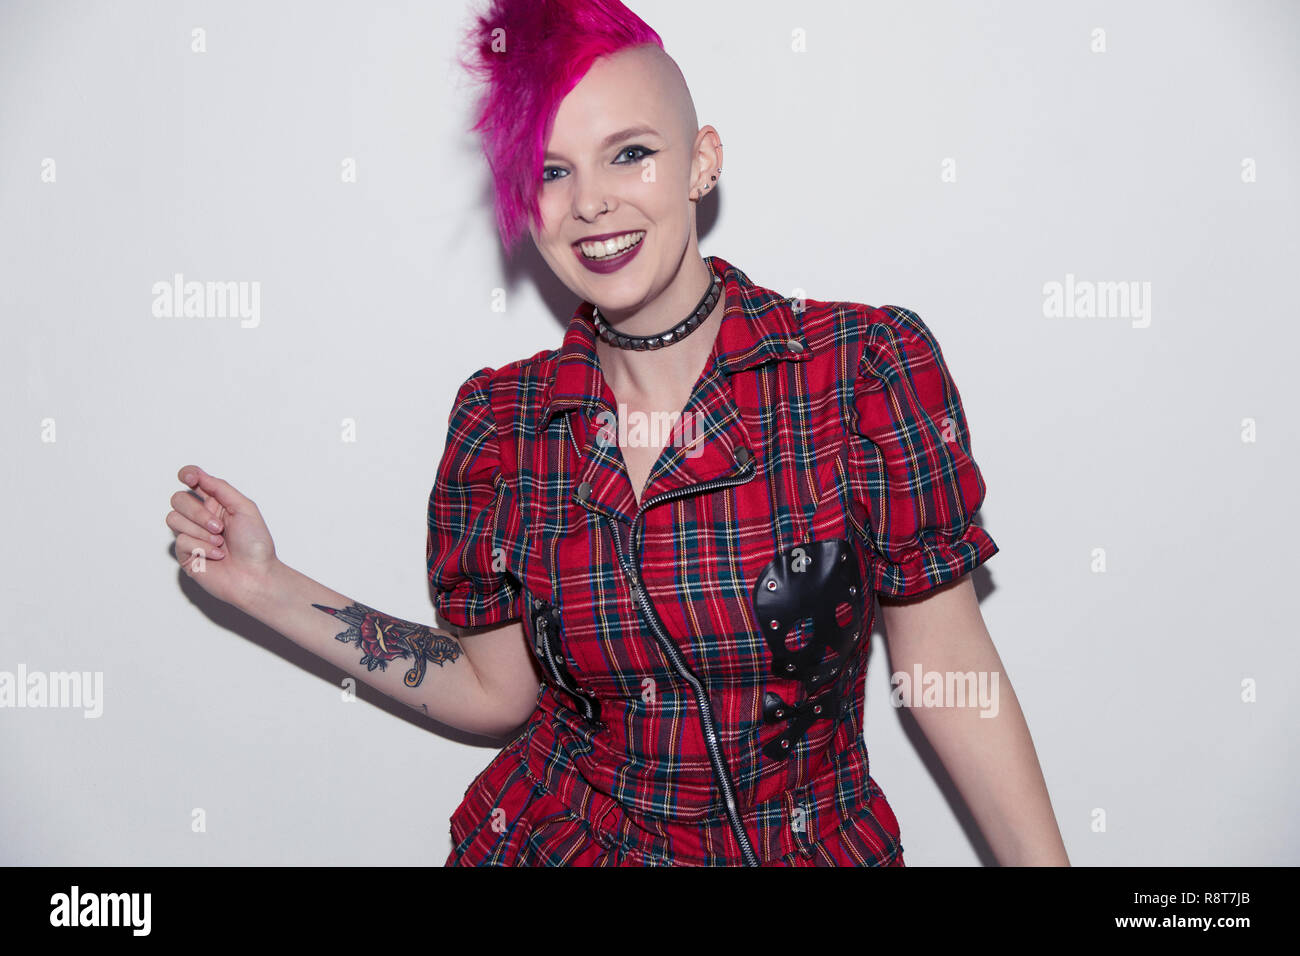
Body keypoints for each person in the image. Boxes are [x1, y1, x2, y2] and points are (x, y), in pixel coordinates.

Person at [167, 0, 1069, 866]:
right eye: (553, 172)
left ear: (701, 162)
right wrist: (268, 587)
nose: (590, 202)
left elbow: (952, 678)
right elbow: (492, 691)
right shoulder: (502, 424)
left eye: (628, 153)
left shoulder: (862, 370)